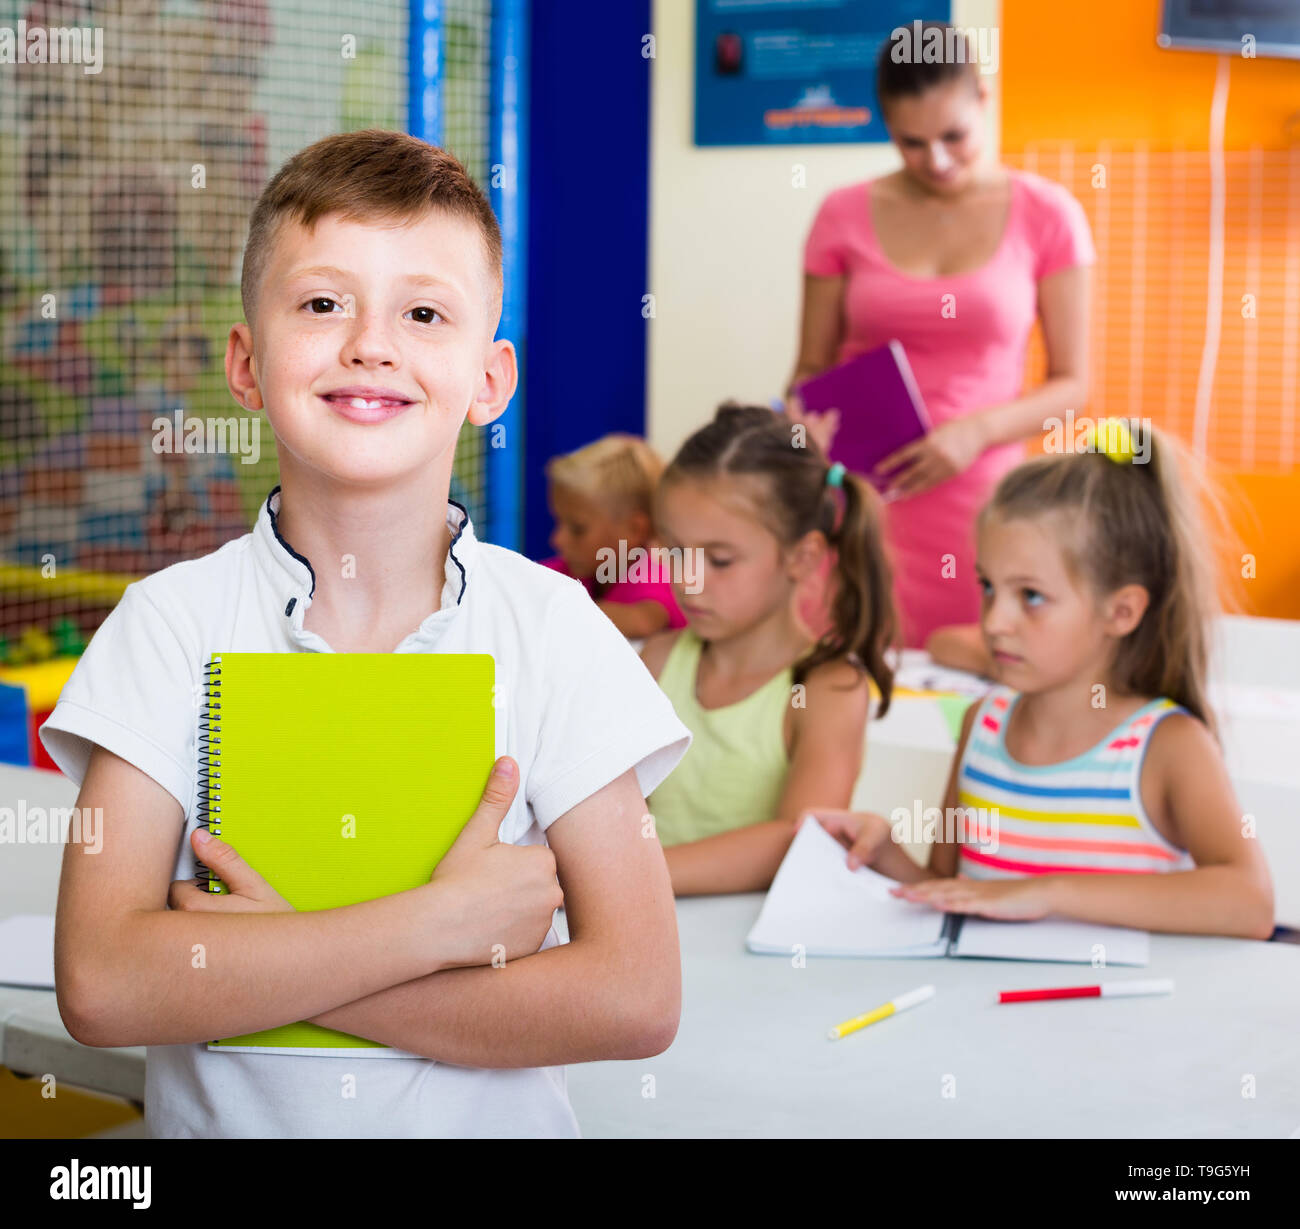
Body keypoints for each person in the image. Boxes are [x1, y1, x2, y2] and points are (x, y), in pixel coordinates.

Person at [40, 129, 693, 1138]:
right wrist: (434, 928)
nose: (370, 344)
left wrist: (274, 963)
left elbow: (637, 993)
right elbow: (104, 981)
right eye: (321, 303)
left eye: (424, 312)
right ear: (247, 364)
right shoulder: (168, 624)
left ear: (490, 379)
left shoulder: (554, 629)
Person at [806, 419, 1274, 939]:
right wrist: (887, 854)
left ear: (1121, 612)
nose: (994, 621)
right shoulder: (981, 728)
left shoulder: (1169, 748)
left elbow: (1250, 903)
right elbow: (954, 892)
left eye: (1030, 596)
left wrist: (1049, 892)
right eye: (988, 586)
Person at [787, 20, 1094, 648]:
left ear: (983, 97)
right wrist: (800, 428)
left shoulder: (1049, 214)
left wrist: (975, 431)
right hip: (860, 500)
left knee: (971, 669)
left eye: (954, 136)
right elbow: (809, 370)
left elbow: (1074, 384)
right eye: (912, 143)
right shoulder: (841, 214)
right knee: (839, 663)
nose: (938, 161)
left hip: (980, 503)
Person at [640, 403, 896, 895]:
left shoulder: (828, 689)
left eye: (719, 559)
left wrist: (627, 882)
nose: (687, 579)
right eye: (675, 551)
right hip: (649, 930)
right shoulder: (658, 660)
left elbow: (799, 840)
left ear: (802, 557)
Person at [541, 433, 687, 638]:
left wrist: (547, 608)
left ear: (635, 530)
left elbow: (644, 622)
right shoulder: (568, 571)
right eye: (559, 522)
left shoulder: (656, 571)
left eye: (577, 529)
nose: (558, 539)